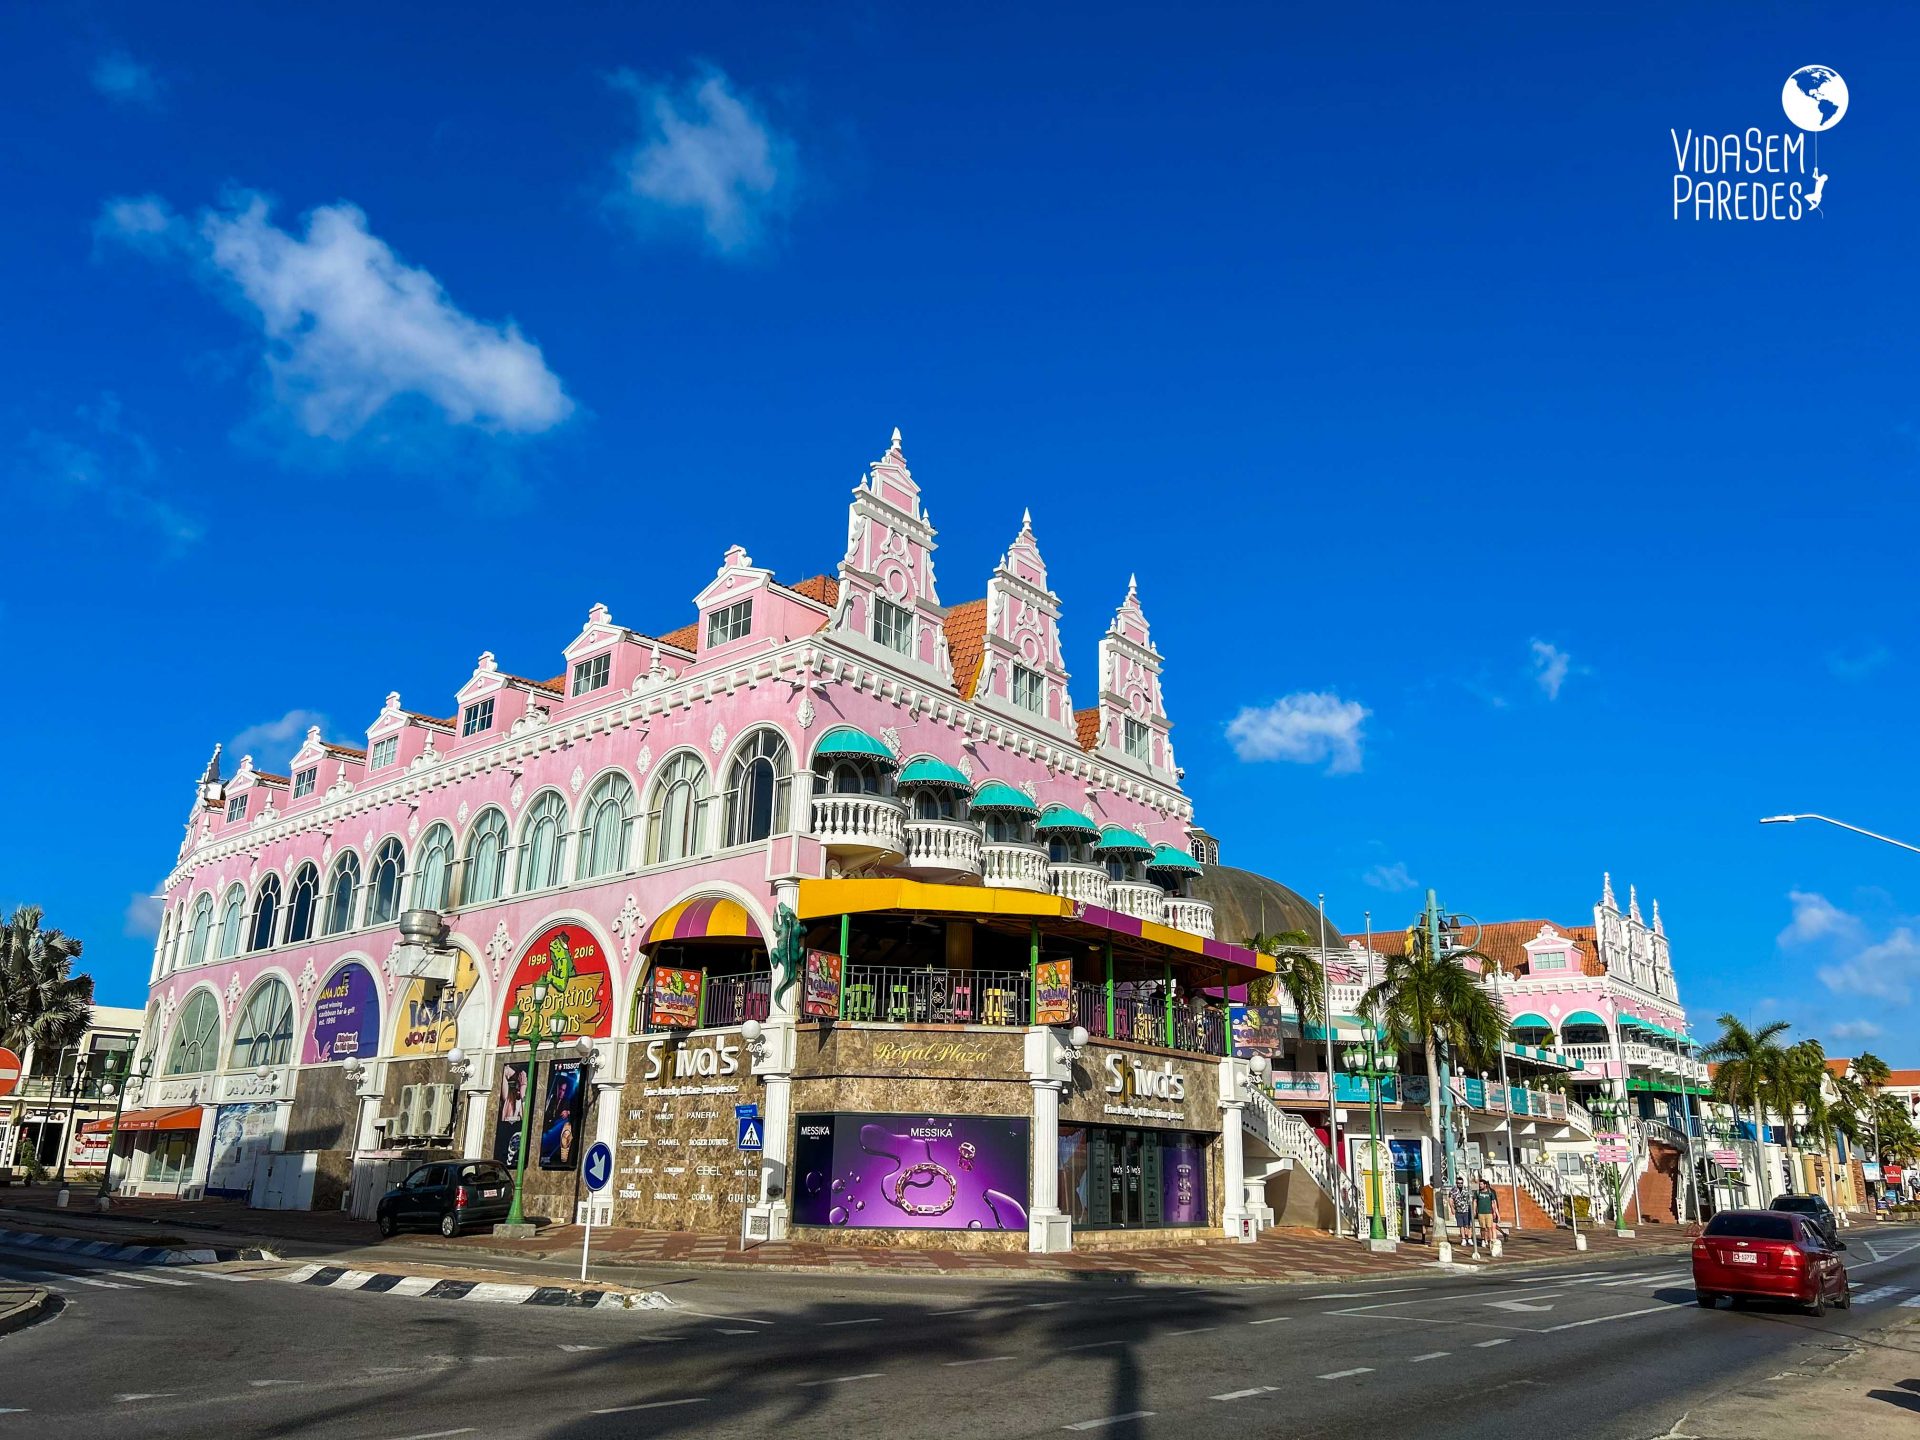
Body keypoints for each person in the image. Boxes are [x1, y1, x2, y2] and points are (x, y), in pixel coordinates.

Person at [1474, 1172, 1501, 1251]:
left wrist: (1495, 1212)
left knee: (1489, 1227)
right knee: (1483, 1227)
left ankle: (1490, 1240)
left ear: (1485, 1185)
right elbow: (1475, 1201)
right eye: (1479, 1184)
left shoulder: (1490, 1193)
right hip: (1481, 1213)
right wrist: (1475, 1210)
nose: (1480, 1186)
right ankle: (1483, 1240)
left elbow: (1493, 1203)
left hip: (1489, 1212)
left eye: (1481, 1184)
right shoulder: (1477, 1192)